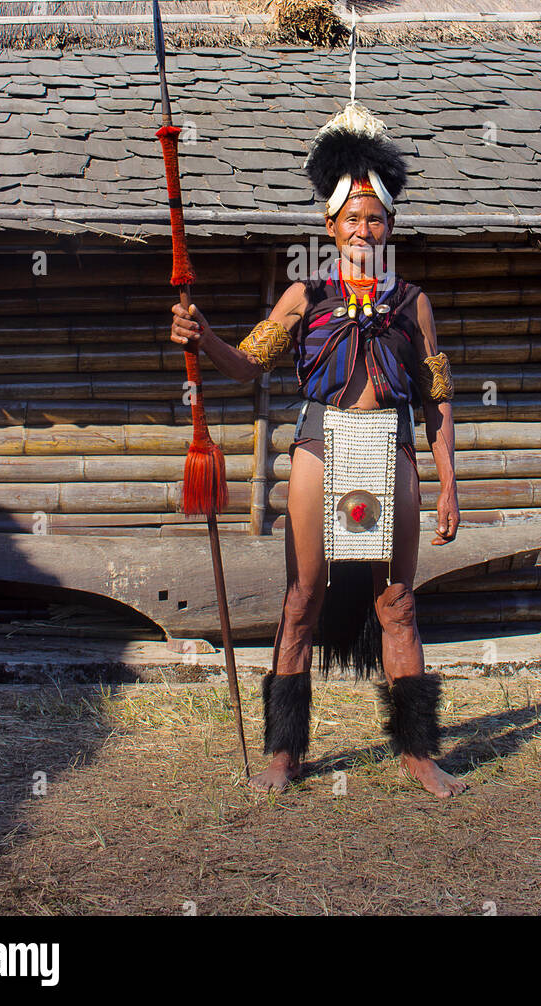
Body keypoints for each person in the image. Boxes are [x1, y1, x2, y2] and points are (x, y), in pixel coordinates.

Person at [170, 100, 466, 798]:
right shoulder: (305, 295)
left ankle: (418, 752)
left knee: (397, 603)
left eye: (376, 217)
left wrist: (450, 480)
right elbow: (248, 365)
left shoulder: (413, 303)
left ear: (390, 225)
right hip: (320, 446)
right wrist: (203, 337)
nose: (364, 228)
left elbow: (436, 398)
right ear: (330, 226)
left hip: (386, 449)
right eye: (352, 217)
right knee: (302, 598)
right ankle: (284, 752)